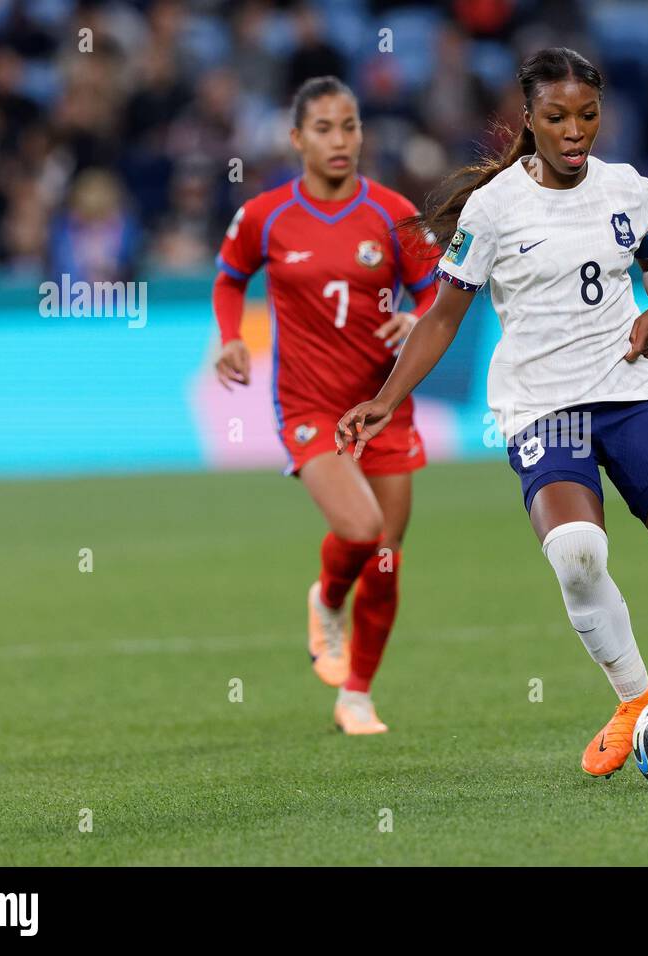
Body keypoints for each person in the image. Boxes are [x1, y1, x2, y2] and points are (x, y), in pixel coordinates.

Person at [336, 49, 648, 780]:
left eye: (587, 115)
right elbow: (444, 317)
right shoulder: (493, 210)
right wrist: (386, 399)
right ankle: (634, 699)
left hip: (632, 394)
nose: (575, 131)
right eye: (557, 117)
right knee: (578, 555)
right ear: (529, 120)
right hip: (544, 409)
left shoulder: (627, 190)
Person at [213, 77, 437, 734]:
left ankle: (357, 696)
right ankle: (327, 598)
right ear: (296, 139)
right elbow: (229, 278)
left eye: (350, 126)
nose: (340, 141)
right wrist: (231, 338)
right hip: (310, 406)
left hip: (385, 407)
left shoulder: (393, 214)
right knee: (362, 530)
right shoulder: (267, 216)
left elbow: (436, 297)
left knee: (389, 555)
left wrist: (411, 319)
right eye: (324, 129)